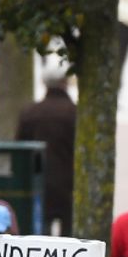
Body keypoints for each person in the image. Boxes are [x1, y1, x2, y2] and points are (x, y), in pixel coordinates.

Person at [15, 66, 77, 233]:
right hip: (70, 182)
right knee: (69, 235)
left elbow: (20, 149)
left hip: (39, 181)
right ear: (66, 83)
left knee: (42, 234)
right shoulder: (75, 113)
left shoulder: (29, 112)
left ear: (44, 83)